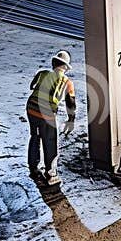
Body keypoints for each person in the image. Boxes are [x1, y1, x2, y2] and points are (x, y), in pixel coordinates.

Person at [26, 50, 77, 187]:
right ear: (65, 67)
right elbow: (70, 103)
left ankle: (33, 168)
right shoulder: (67, 82)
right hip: (46, 112)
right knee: (50, 142)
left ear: (53, 63)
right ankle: (51, 174)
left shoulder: (42, 74)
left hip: (31, 108)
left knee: (35, 136)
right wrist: (71, 120)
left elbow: (32, 87)